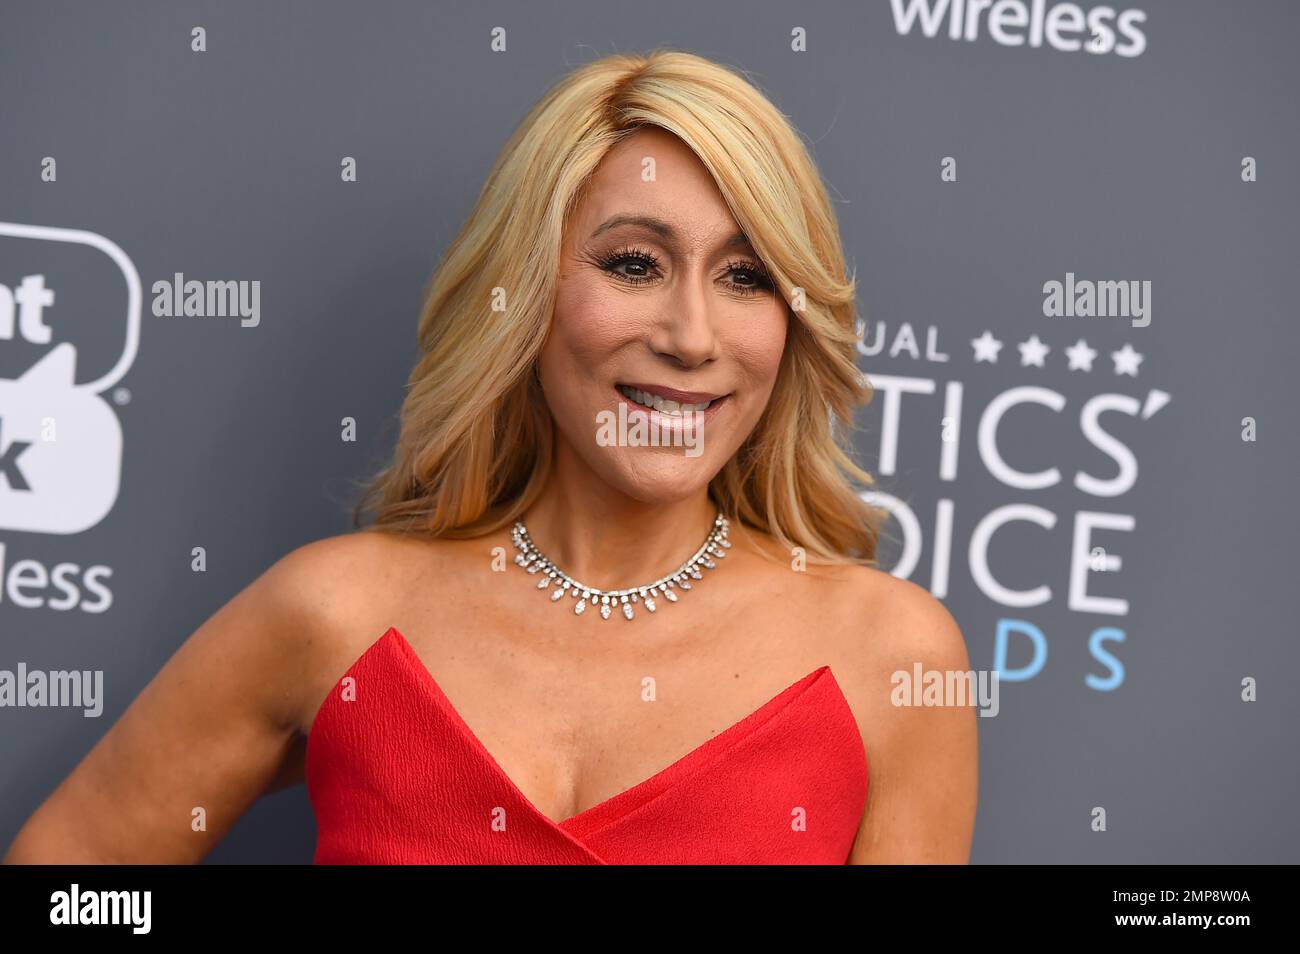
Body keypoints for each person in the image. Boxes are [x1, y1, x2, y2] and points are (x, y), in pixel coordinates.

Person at [3, 49, 976, 864]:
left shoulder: (887, 658)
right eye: (632, 264)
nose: (691, 333)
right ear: (524, 291)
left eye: (746, 277)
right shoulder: (338, 613)